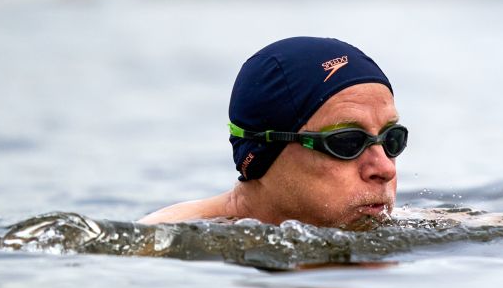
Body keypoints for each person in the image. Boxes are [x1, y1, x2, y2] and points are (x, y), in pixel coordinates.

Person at [139, 36, 405, 230]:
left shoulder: (416, 224)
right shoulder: (160, 240)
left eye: (392, 139)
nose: (385, 168)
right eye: (347, 141)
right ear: (263, 151)